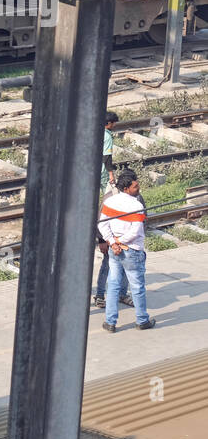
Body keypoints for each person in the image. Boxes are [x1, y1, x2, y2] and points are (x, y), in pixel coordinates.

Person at [98, 169, 155, 333]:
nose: (138, 189)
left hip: (114, 251)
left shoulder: (110, 202)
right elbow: (136, 231)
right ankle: (142, 320)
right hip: (132, 251)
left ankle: (110, 322)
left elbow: (102, 225)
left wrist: (112, 242)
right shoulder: (136, 205)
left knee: (113, 285)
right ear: (126, 188)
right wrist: (118, 242)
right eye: (135, 186)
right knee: (137, 287)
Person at [94, 111, 129, 308]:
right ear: (109, 123)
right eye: (114, 123)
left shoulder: (94, 132)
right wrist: (111, 174)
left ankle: (103, 294)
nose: (114, 125)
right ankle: (105, 294)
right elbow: (107, 158)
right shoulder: (106, 136)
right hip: (99, 173)